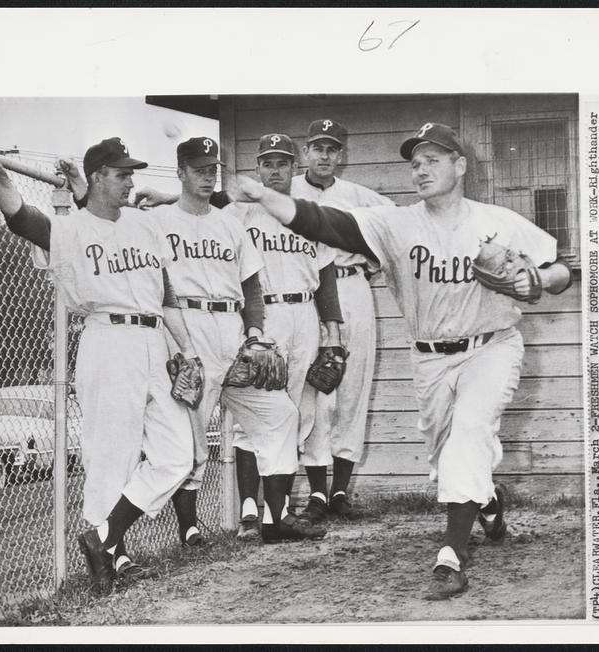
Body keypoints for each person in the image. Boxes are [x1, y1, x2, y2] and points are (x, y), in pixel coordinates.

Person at [232, 122, 573, 598]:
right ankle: (487, 500)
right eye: (415, 161)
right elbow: (322, 222)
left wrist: (539, 279)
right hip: (431, 358)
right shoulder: (396, 222)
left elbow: (561, 269)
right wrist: (262, 196)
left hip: (492, 346)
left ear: (460, 165)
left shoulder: (496, 221)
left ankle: (451, 556)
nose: (421, 168)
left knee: (469, 435)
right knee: (444, 456)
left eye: (433, 159)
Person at [62, 137, 328, 544]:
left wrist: (254, 335)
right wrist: (82, 189)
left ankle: (276, 519)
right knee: (192, 436)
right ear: (181, 171)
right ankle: (188, 530)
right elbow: (103, 222)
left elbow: (252, 289)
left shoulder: (230, 224)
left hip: (231, 331)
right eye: (199, 169)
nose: (208, 177)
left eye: (213, 170)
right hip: (185, 326)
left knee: (280, 415)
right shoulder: (155, 221)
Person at [0, 137, 199, 596]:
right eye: (122, 173)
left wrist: (187, 350)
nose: (131, 181)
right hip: (107, 337)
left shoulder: (142, 223)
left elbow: (167, 291)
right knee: (110, 454)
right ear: (96, 178)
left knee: (178, 454)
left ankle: (103, 538)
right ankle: (108, 558)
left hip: (154, 337)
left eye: (131, 173)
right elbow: (20, 217)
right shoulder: (70, 230)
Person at [223, 133, 345, 540]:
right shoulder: (240, 213)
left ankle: (279, 508)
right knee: (257, 412)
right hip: (265, 314)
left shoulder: (306, 214)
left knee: (298, 410)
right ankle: (248, 510)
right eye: (267, 162)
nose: (274, 170)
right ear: (257, 169)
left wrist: (332, 333)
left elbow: (327, 277)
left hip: (303, 313)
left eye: (282, 163)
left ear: (295, 168)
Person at [290, 119, 394, 524]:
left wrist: (373, 260)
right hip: (308, 292)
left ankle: (339, 491)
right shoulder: (289, 192)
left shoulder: (357, 196)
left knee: (352, 388)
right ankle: (316, 490)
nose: (324, 156)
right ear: (305, 152)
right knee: (314, 392)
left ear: (341, 155)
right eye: (317, 147)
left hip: (352, 287)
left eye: (332, 149)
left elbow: (397, 224)